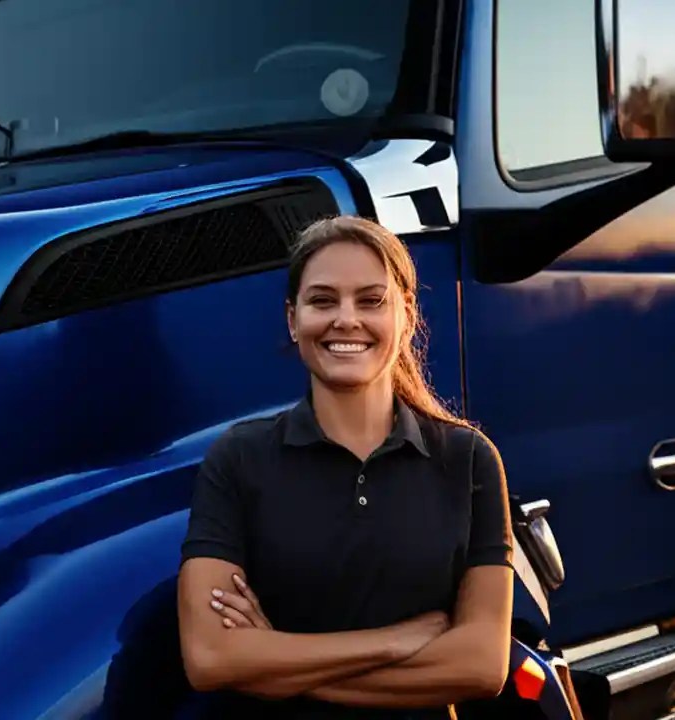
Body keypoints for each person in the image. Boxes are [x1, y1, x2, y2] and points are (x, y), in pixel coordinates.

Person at [176, 215, 515, 718]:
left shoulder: (467, 459)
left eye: (371, 300)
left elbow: (481, 665)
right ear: (293, 320)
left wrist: (274, 665)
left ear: (406, 315)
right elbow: (209, 658)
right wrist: (394, 641)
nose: (346, 319)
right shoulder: (239, 458)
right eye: (322, 300)